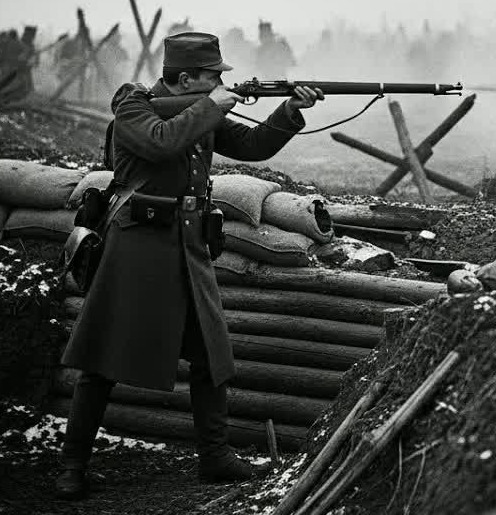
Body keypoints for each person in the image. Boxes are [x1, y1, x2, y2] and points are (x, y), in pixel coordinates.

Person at [54, 32, 322, 500]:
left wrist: (289, 110)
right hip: (136, 245)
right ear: (184, 80)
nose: (220, 83)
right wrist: (212, 105)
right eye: (212, 76)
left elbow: (253, 145)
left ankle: (214, 457)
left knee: (209, 353)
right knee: (103, 355)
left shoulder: (202, 111)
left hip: (188, 243)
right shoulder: (134, 107)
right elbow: (161, 143)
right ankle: (72, 464)